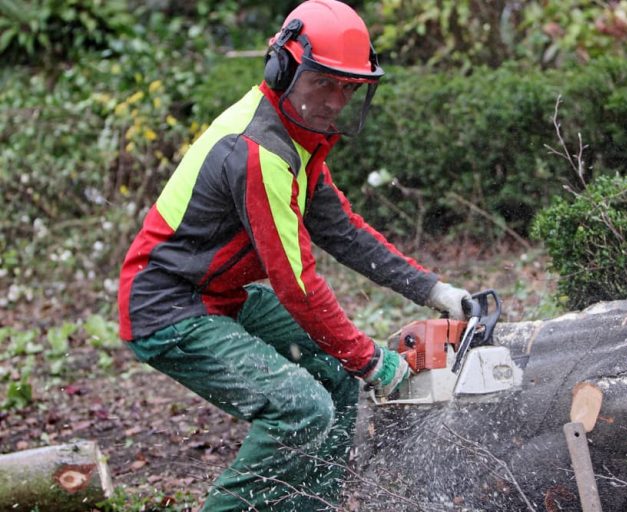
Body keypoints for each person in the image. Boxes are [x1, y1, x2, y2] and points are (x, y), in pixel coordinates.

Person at [117, 0, 470, 510]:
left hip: (217, 295)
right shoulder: (259, 152)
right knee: (300, 408)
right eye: (322, 82)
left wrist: (435, 290)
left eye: (347, 88)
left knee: (335, 375)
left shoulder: (299, 138)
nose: (334, 100)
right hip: (167, 307)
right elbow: (296, 284)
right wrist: (373, 361)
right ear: (283, 68)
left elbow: (342, 230)